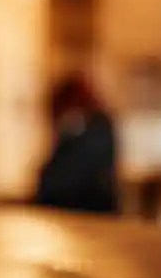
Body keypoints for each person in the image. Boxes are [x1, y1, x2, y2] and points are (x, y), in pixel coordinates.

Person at [34, 76, 118, 213]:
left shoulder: (91, 128)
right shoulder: (98, 126)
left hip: (86, 210)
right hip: (87, 207)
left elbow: (69, 176)